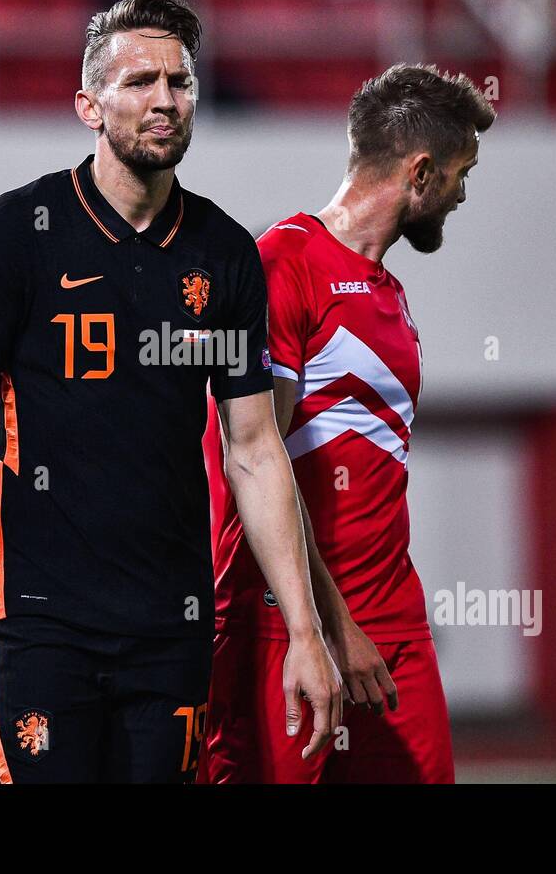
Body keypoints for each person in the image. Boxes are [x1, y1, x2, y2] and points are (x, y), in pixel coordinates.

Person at [0, 0, 341, 783]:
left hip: (172, 622)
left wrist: (306, 631)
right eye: (139, 82)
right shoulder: (17, 231)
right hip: (37, 617)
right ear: (88, 107)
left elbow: (255, 450)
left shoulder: (224, 254)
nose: (165, 100)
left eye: (181, 82)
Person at [201, 64, 494, 783]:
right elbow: (252, 460)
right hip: (280, 626)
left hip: (392, 629)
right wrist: (330, 626)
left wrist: (370, 625)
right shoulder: (281, 266)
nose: (462, 194)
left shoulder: (389, 294)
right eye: (460, 174)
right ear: (420, 172)